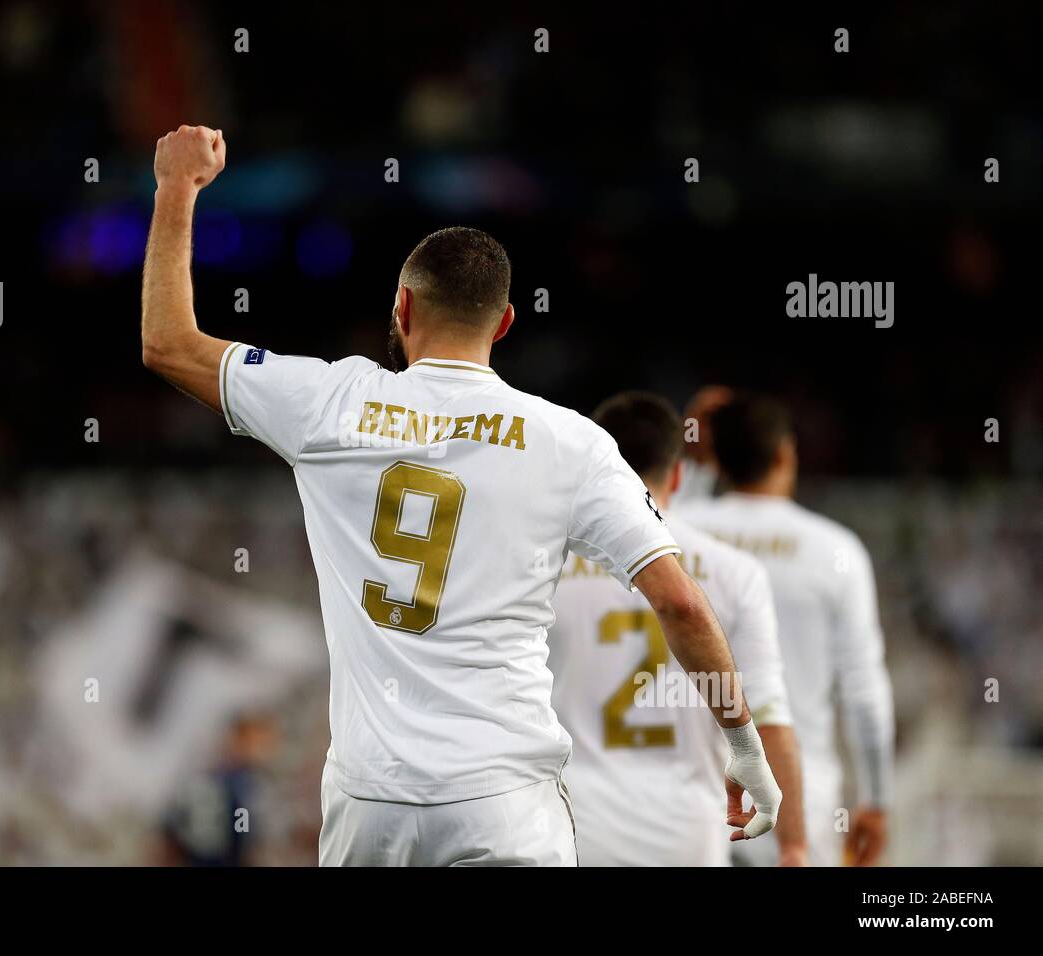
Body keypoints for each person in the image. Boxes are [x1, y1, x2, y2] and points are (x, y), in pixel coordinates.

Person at [140, 124, 780, 866]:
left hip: (369, 803)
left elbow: (168, 342)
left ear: (403, 311)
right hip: (499, 802)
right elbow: (681, 603)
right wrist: (742, 746)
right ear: (504, 323)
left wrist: (176, 188)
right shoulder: (568, 442)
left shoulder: (330, 401)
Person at [548, 391, 806, 865]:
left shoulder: (548, 565)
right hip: (690, 832)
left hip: (575, 828)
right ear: (679, 472)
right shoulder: (735, 571)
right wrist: (793, 846)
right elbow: (769, 716)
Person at [679, 393, 895, 866]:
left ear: (715, 457)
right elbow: (865, 694)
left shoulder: (677, 537)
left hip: (691, 785)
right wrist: (876, 799)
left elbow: (657, 513)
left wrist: (695, 466)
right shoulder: (836, 551)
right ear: (784, 454)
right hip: (801, 790)